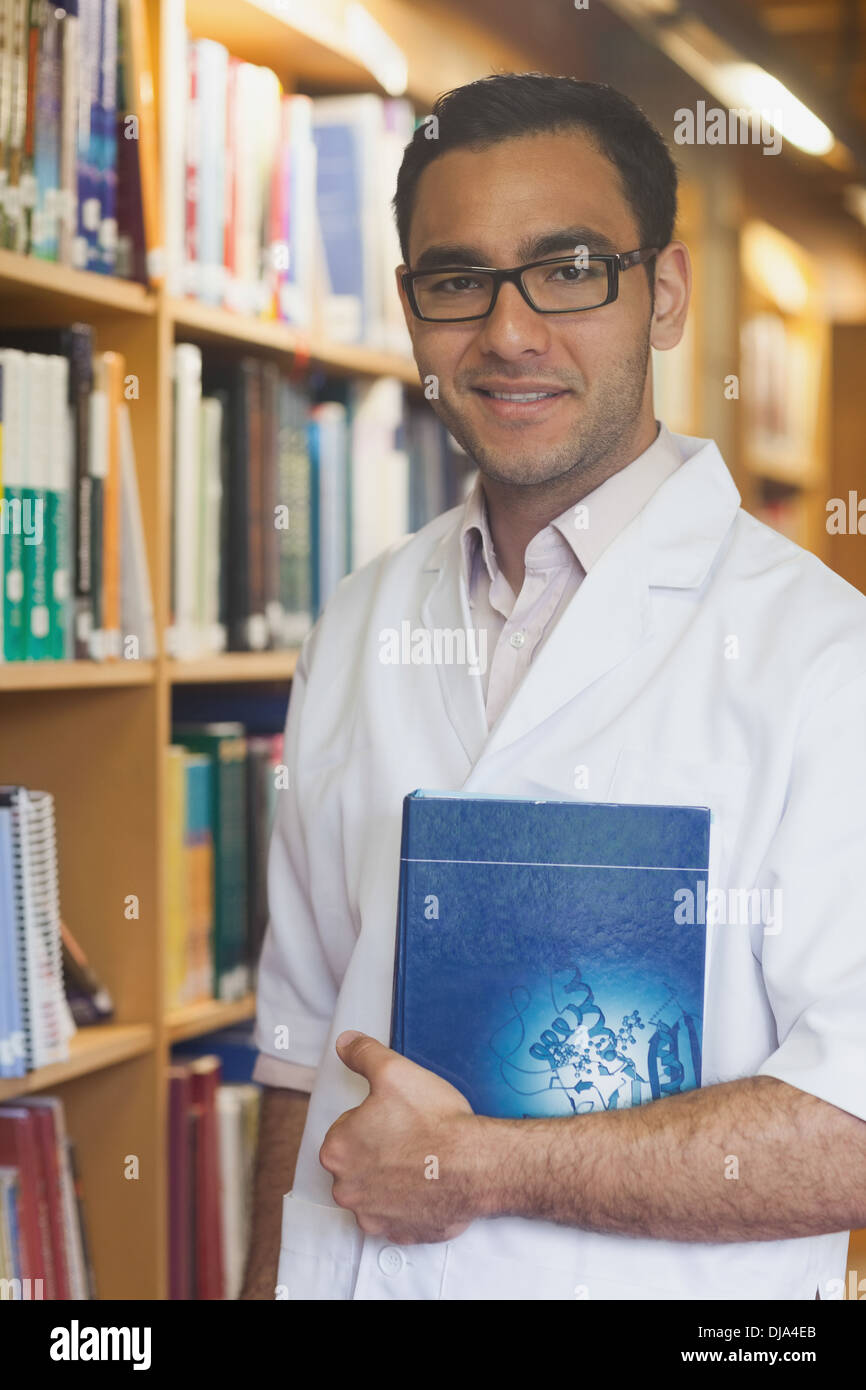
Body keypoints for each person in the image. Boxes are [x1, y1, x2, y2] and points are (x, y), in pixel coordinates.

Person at [240, 74, 866, 1302]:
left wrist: (482, 1168)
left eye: (569, 267)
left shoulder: (821, 659)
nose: (510, 331)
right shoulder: (358, 622)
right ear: (413, 309)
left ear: (663, 295)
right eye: (455, 279)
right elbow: (295, 1047)